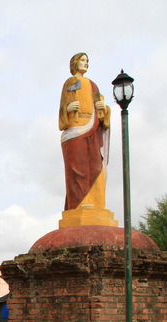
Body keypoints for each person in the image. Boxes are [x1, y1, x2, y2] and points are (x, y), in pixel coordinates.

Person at [58, 52, 110, 211]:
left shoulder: (93, 86)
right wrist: (68, 108)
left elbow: (101, 110)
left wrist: (104, 109)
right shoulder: (70, 82)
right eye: (82, 60)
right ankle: (80, 203)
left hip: (93, 127)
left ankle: (98, 204)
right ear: (75, 63)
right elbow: (63, 106)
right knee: (78, 168)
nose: (85, 63)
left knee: (96, 166)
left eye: (87, 60)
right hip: (76, 128)